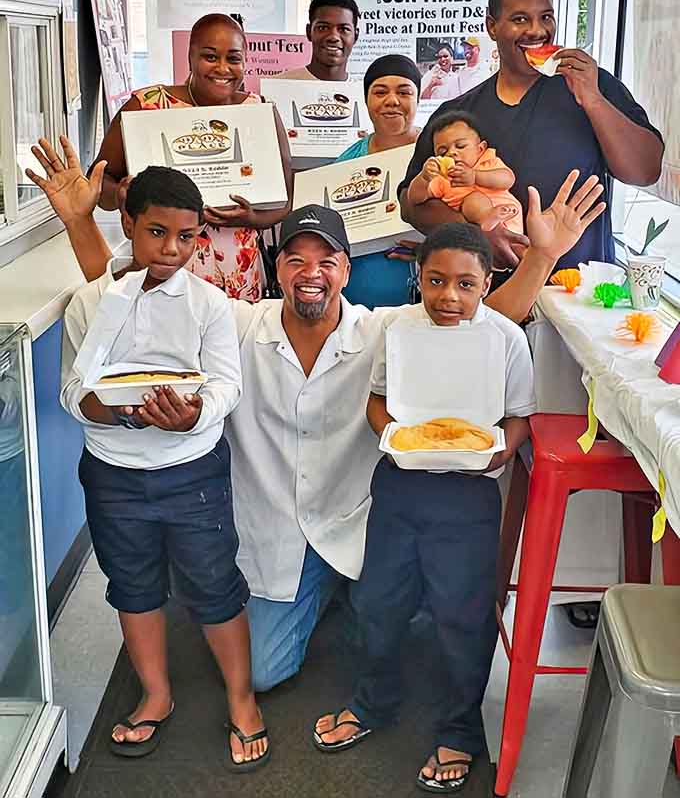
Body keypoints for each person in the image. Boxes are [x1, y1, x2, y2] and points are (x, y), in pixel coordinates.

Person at [28, 137, 606, 694]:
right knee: (264, 673)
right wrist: (79, 222)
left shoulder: (384, 330)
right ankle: (319, 596)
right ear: (277, 269)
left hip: (360, 527)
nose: (311, 273)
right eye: (296, 260)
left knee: (416, 622)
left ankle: (353, 593)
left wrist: (542, 256)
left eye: (327, 261)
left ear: (346, 271)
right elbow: (139, 299)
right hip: (276, 534)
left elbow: (477, 319)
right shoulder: (235, 323)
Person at [42, 158, 269, 770]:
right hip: (112, 472)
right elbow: (73, 391)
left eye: (186, 236)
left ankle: (241, 697)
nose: (172, 249)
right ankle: (156, 694)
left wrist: (192, 416)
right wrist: (114, 412)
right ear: (128, 225)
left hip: (192, 469)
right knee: (132, 583)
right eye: (157, 232)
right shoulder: (92, 302)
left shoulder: (208, 303)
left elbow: (225, 384)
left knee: (213, 579)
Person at [313, 223, 535, 792]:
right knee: (377, 601)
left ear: (488, 283)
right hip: (401, 482)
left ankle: (460, 728)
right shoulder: (400, 328)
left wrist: (498, 452)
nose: (449, 296)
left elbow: (517, 418)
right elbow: (378, 401)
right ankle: (374, 701)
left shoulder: (506, 338)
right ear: (419, 277)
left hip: (468, 494)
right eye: (436, 281)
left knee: (461, 613)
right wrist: (392, 437)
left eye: (466, 283)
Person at [399, 0, 664, 273]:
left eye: (546, 17)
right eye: (520, 19)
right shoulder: (458, 114)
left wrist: (593, 100)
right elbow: (410, 204)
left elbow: (645, 171)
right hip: (490, 290)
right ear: (492, 26)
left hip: (580, 288)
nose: (537, 30)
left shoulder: (593, 85)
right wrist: (475, 232)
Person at [89, 12, 293, 300]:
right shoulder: (147, 107)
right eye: (210, 56)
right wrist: (121, 195)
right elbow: (99, 181)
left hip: (239, 278)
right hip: (163, 271)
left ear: (245, 62)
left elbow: (286, 199)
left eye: (233, 58)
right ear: (191, 57)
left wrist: (253, 217)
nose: (223, 68)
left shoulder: (260, 112)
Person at [335, 54, 422, 308]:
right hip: (356, 301)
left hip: (426, 302)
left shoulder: (440, 152)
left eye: (404, 92)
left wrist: (433, 248)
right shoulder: (347, 161)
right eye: (380, 92)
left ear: (418, 99)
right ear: (366, 100)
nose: (392, 101)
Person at [407, 109, 522, 235]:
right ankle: (488, 217)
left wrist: (475, 176)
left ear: (480, 149)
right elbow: (414, 198)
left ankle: (495, 219)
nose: (451, 153)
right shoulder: (443, 177)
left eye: (460, 146)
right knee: (473, 199)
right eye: (443, 152)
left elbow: (508, 179)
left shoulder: (487, 161)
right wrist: (424, 178)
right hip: (477, 233)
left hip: (510, 217)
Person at [271, 0, 360, 82]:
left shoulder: (363, 90)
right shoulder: (276, 86)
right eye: (323, 28)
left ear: (356, 36)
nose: (333, 37)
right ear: (309, 32)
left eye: (344, 29)